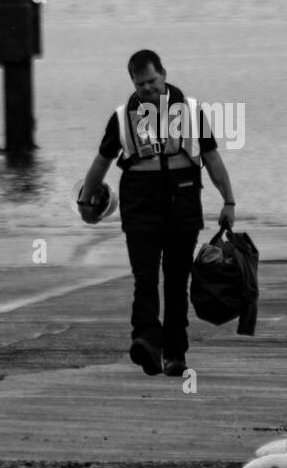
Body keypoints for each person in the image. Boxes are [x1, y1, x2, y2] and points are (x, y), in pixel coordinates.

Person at [78, 50, 236, 377]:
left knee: (176, 283)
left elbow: (212, 158)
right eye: (140, 84)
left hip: (183, 209)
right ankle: (147, 342)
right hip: (140, 211)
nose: (147, 88)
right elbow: (101, 162)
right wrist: (85, 200)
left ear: (163, 73)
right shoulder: (122, 118)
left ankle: (175, 352)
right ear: (132, 83)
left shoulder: (191, 111)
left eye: (152, 80)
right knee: (145, 279)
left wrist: (229, 201)